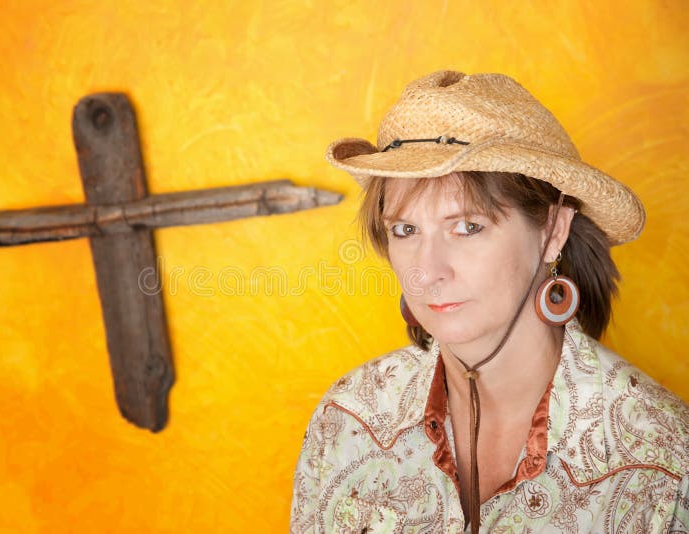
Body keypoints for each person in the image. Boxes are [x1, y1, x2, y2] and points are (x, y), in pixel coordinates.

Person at [290, 71, 689, 533]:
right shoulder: (348, 420)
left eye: (468, 227)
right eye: (406, 230)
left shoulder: (664, 462)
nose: (429, 270)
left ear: (553, 231)